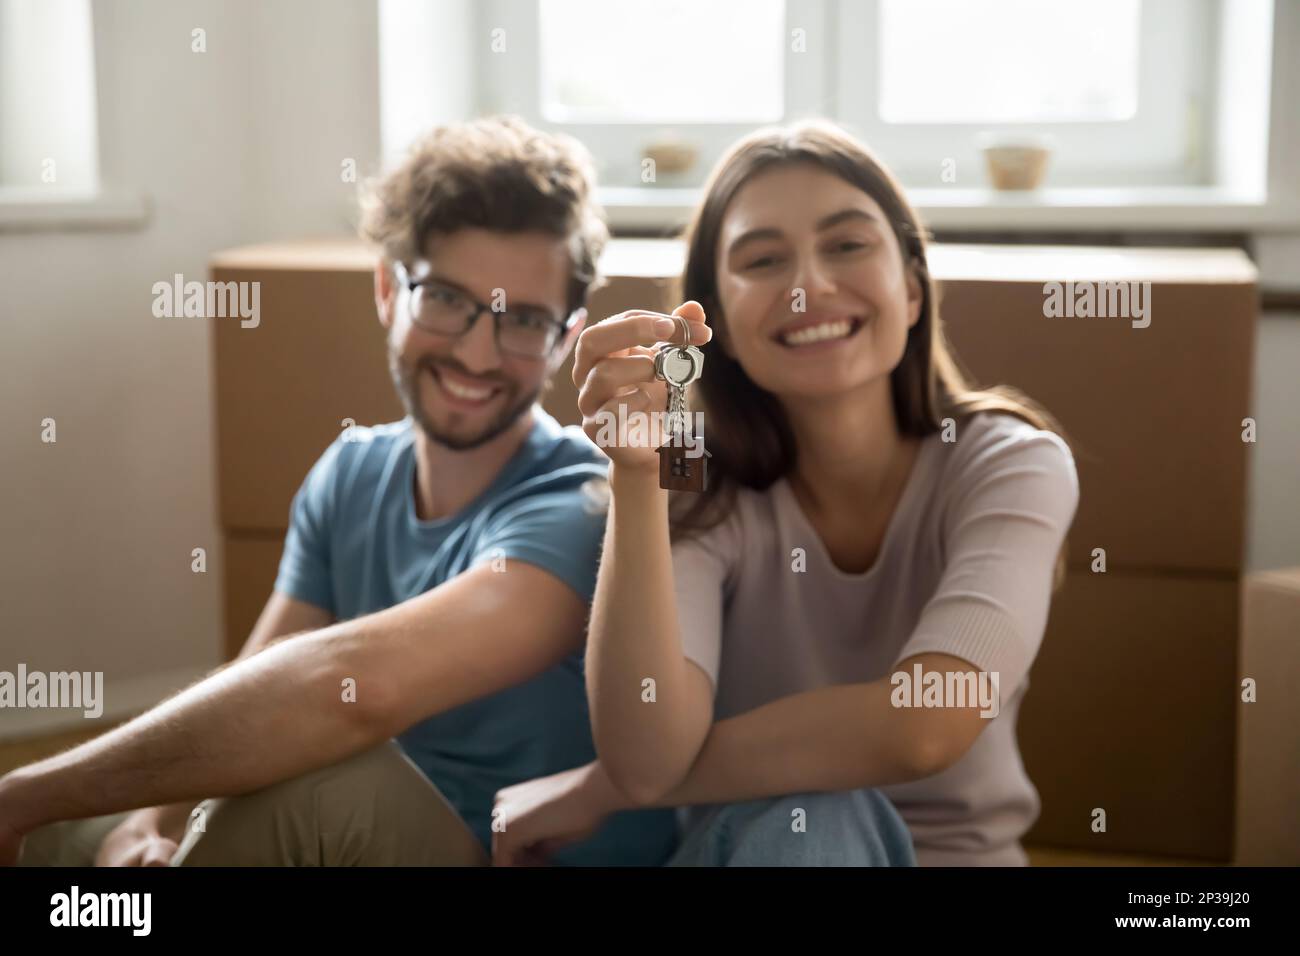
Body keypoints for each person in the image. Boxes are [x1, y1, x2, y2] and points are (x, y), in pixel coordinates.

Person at [1, 116, 677, 867]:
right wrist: (148, 822)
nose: (478, 352)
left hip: (497, 854)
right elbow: (264, 675)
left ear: (565, 337)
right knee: (79, 833)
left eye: (522, 319)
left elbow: (347, 686)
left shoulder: (581, 503)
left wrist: (24, 791)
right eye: (447, 299)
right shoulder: (351, 472)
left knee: (320, 784)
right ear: (389, 289)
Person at [491, 120, 1079, 867]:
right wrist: (638, 478)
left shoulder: (1010, 465)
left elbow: (928, 722)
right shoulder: (700, 489)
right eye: (763, 260)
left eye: (847, 244)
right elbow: (647, 751)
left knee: (825, 807)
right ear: (721, 329)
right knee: (810, 819)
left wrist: (600, 791)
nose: (808, 286)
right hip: (753, 852)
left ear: (912, 287)